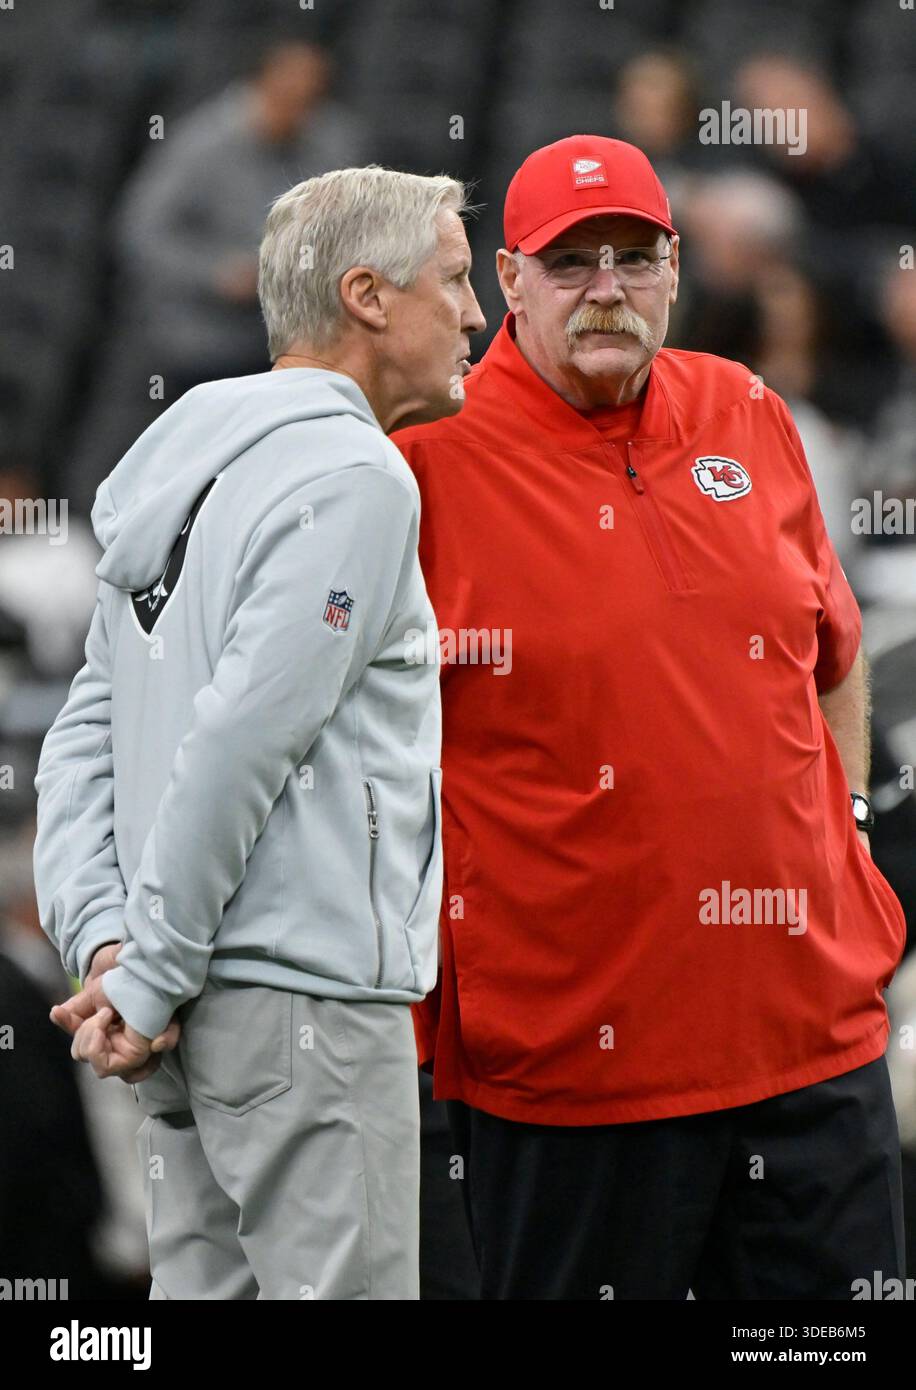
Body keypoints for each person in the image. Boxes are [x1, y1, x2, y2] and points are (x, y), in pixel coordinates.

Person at [392, 135, 908, 1300]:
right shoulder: (421, 457)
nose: (607, 289)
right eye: (571, 264)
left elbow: (831, 650)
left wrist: (851, 825)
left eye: (633, 256)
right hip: (575, 1070)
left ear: (674, 268)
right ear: (506, 280)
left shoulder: (746, 407)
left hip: (810, 1036)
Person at [33, 165, 486, 1300]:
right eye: (456, 279)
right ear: (368, 296)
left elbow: (79, 741)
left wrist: (109, 945)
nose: (476, 313)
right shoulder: (356, 474)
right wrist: (145, 974)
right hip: (305, 1014)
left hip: (185, 1013)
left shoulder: (176, 467)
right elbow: (243, 738)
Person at [115, 39, 367, 396]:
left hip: (296, 339)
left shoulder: (333, 141)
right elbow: (143, 230)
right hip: (206, 339)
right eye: (286, 96)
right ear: (260, 83)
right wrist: (217, 273)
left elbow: (354, 226)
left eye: (307, 100)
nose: (296, 110)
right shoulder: (200, 144)